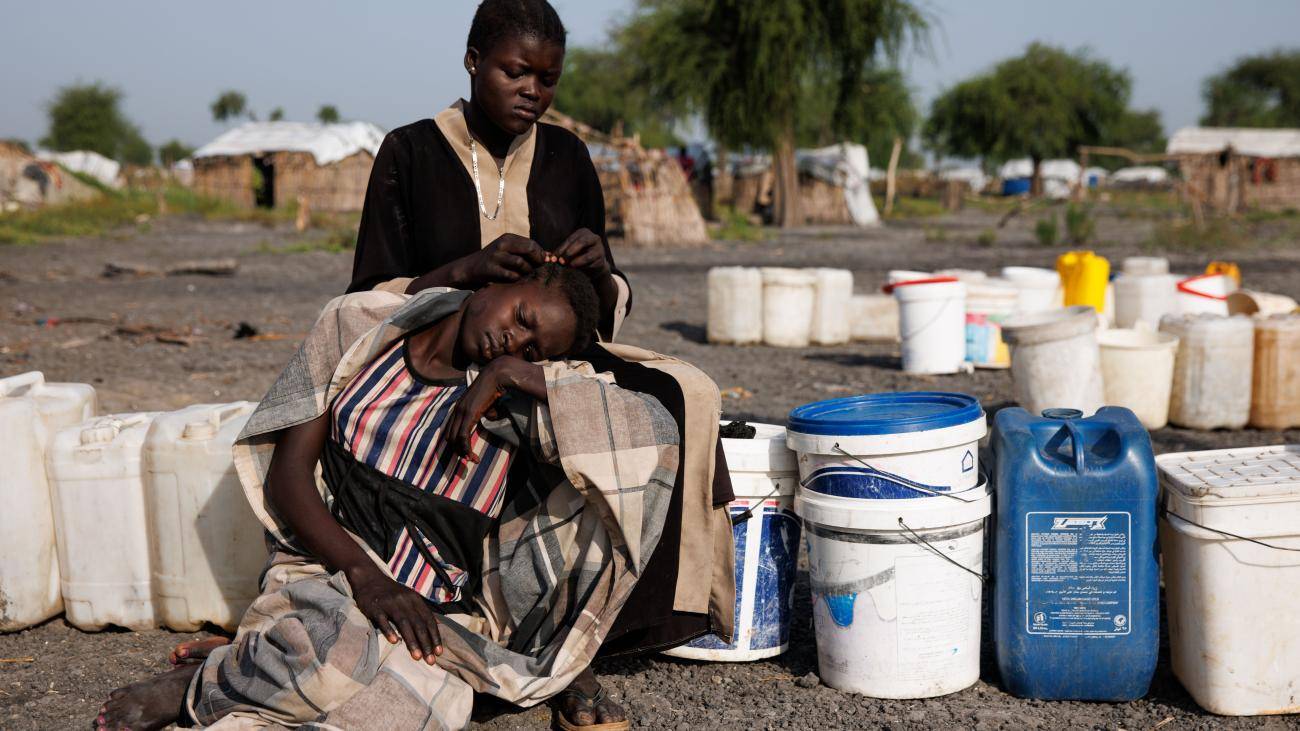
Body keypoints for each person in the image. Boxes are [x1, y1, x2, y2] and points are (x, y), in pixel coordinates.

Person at [345, 0, 737, 727]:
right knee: (540, 431)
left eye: (547, 79)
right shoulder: (410, 151)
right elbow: (366, 297)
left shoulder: (569, 158)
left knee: (682, 396)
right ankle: (531, 636)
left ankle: (610, 622)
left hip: (544, 359)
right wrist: (465, 268)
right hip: (433, 361)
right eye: (515, 71)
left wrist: (597, 273)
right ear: (472, 61)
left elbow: (596, 301)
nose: (532, 90)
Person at [94, 266, 682, 731]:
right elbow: (288, 476)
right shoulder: (360, 334)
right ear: (495, 282)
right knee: (335, 649)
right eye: (522, 315)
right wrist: (367, 579)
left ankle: (250, 670)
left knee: (424, 710)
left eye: (532, 349)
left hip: (432, 611)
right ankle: (201, 687)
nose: (515, 339)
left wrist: (512, 376)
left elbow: (654, 436)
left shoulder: (517, 407)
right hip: (329, 567)